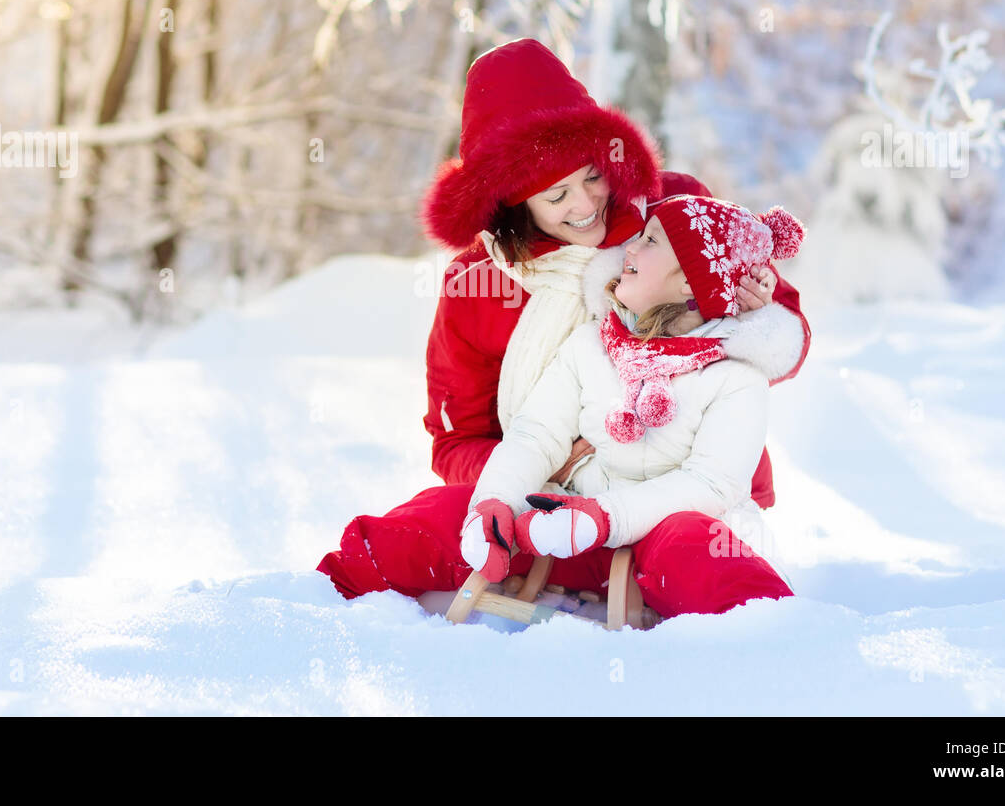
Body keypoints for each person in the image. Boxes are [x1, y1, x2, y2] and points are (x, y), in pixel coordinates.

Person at [316, 37, 810, 605]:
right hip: (549, 512)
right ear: (511, 203)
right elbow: (456, 441)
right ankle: (316, 607)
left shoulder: (672, 216)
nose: (585, 205)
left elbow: (779, 344)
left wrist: (761, 307)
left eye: (593, 177)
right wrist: (540, 474)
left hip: (683, 499)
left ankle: (785, 647)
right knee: (423, 523)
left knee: (698, 554)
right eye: (556, 194)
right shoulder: (476, 286)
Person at [459, 195, 804, 617]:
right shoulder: (590, 344)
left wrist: (605, 518)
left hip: (659, 543)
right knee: (449, 508)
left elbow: (712, 484)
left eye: (651, 240)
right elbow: (535, 434)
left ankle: (781, 638)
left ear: (690, 281)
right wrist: (496, 501)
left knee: (698, 544)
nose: (630, 248)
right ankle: (361, 580)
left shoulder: (735, 378)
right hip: (569, 536)